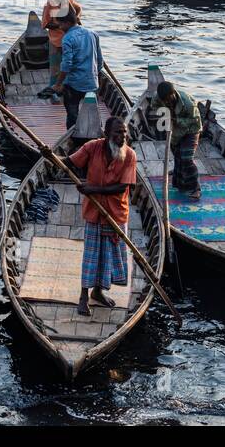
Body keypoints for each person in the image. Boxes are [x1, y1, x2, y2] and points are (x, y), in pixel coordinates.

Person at [69, 116, 136, 316]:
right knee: (91, 256)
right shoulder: (92, 148)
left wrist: (93, 189)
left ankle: (98, 292)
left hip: (115, 212)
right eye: (117, 132)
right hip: (94, 211)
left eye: (124, 132)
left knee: (107, 256)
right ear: (106, 134)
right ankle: (83, 297)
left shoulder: (130, 155)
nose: (122, 136)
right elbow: (72, 162)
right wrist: (49, 156)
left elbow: (123, 186)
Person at [53, 8, 102, 130]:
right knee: (93, 113)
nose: (59, 27)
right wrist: (94, 75)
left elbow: (66, 65)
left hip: (74, 84)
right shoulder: (93, 34)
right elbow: (100, 61)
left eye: (60, 24)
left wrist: (58, 84)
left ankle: (73, 137)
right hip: (92, 83)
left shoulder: (67, 39)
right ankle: (98, 134)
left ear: (67, 23)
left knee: (72, 115)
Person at [155, 80, 202, 199]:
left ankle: (196, 188)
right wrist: (165, 115)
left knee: (186, 158)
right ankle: (179, 181)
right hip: (176, 129)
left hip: (192, 129)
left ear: (173, 94)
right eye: (164, 100)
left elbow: (194, 121)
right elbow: (154, 106)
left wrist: (176, 120)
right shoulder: (158, 98)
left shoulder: (188, 104)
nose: (166, 101)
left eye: (168, 99)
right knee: (177, 154)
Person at [41, 0, 83, 95]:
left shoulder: (68, 1)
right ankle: (53, 92)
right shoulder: (49, 4)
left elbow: (79, 8)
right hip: (57, 42)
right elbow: (45, 24)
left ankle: (68, 90)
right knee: (55, 70)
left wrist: (77, 17)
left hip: (71, 40)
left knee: (70, 67)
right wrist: (61, 25)